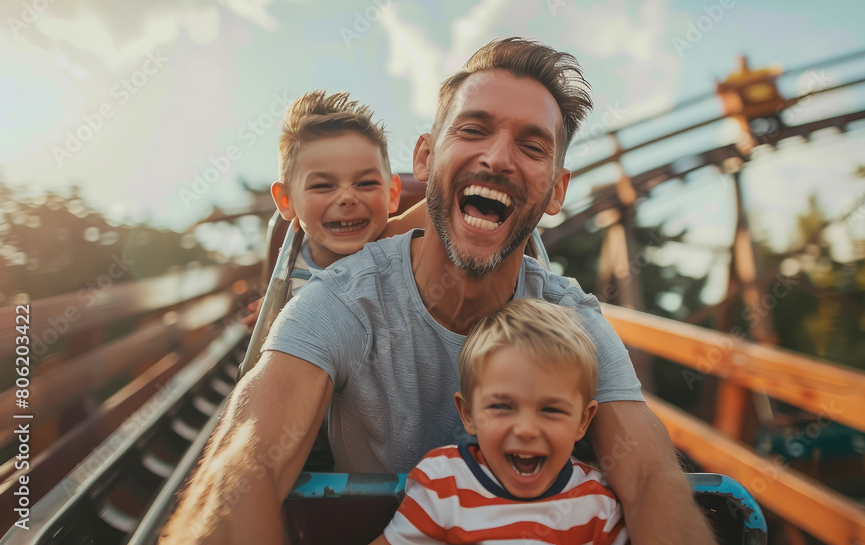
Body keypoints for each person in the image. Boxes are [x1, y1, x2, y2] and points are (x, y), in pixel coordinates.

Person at [161, 37, 713, 544]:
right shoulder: (343, 300)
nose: (498, 158)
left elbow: (650, 477)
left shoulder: (569, 319)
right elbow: (243, 469)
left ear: (556, 190)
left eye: (532, 146)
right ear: (425, 157)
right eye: (473, 130)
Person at [373, 298, 628, 545]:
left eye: (551, 409)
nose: (526, 430)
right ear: (468, 414)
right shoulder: (443, 486)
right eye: (502, 406)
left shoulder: (599, 506)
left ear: (583, 421)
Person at [237, 89, 425, 329]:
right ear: (286, 201)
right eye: (323, 186)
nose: (347, 197)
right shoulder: (288, 269)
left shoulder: (391, 242)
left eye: (366, 183)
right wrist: (274, 306)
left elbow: (442, 206)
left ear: (392, 193)